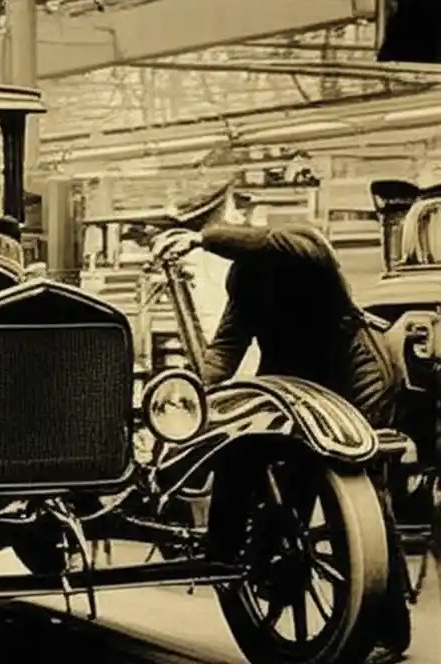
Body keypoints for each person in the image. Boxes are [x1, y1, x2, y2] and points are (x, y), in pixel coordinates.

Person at [154, 221, 413, 655]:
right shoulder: (246, 282)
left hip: (353, 375)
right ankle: (253, 552)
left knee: (365, 491)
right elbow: (225, 350)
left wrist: (201, 237)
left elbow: (271, 242)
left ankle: (391, 626)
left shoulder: (306, 250)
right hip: (294, 380)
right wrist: (185, 397)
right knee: (254, 457)